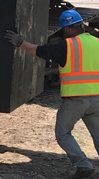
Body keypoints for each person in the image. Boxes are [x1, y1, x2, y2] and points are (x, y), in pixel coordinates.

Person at [6, 10, 99, 178]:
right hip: (97, 99)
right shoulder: (97, 42)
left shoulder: (67, 45)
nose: (64, 33)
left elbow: (39, 51)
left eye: (64, 30)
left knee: (63, 133)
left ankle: (84, 167)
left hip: (76, 101)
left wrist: (20, 42)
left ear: (69, 30)